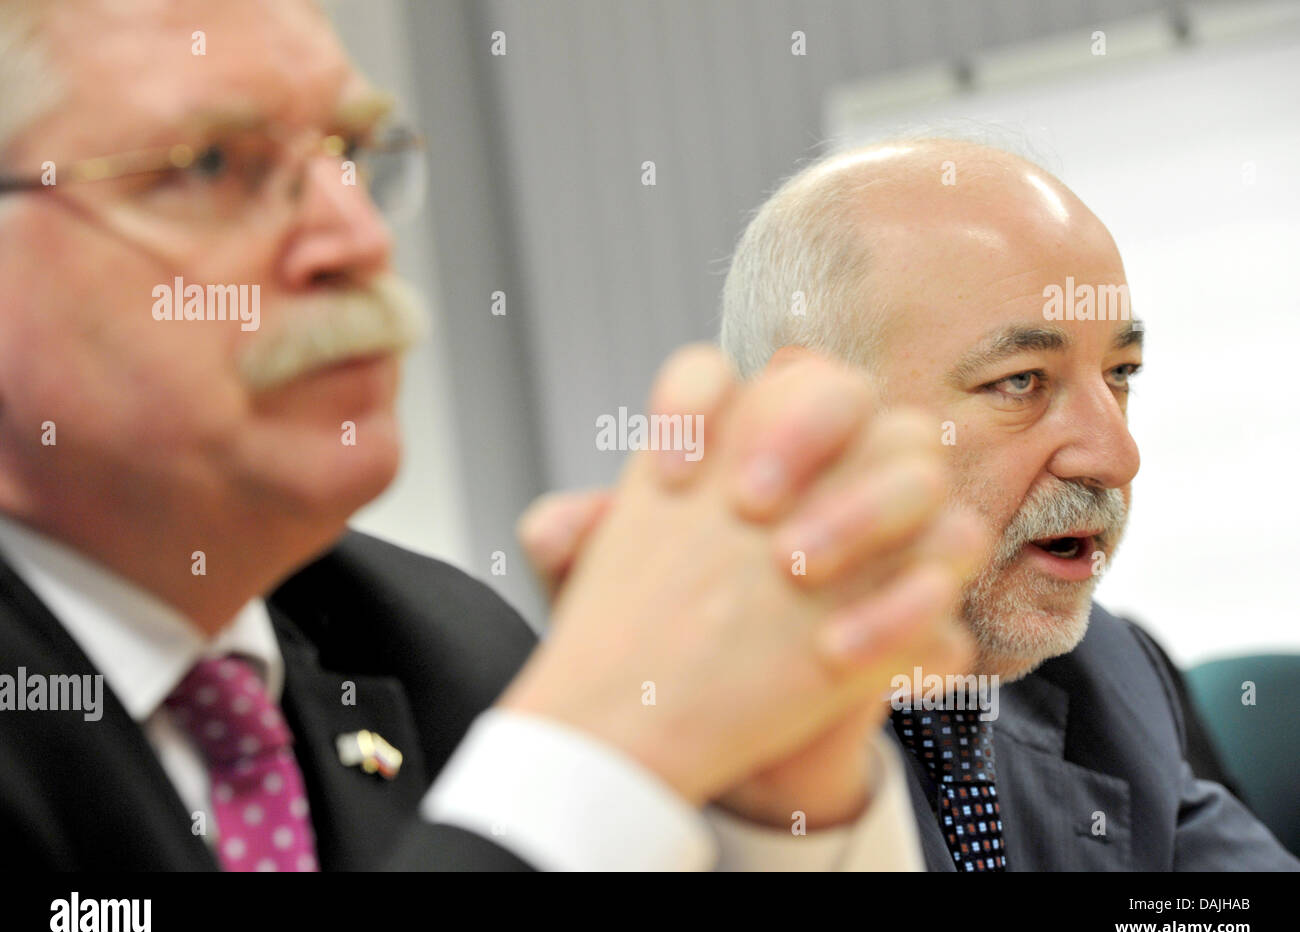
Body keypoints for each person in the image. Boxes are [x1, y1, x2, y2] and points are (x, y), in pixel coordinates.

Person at [0, 0, 989, 871]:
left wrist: (770, 807)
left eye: (349, 154)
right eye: (213, 164)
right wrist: (596, 750)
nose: (356, 237)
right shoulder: (539, 718)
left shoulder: (435, 643)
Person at [534, 137, 1298, 870]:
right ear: (811, 411)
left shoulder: (1103, 674)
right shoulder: (660, 752)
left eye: (1121, 373)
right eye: (1022, 381)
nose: (1117, 455)